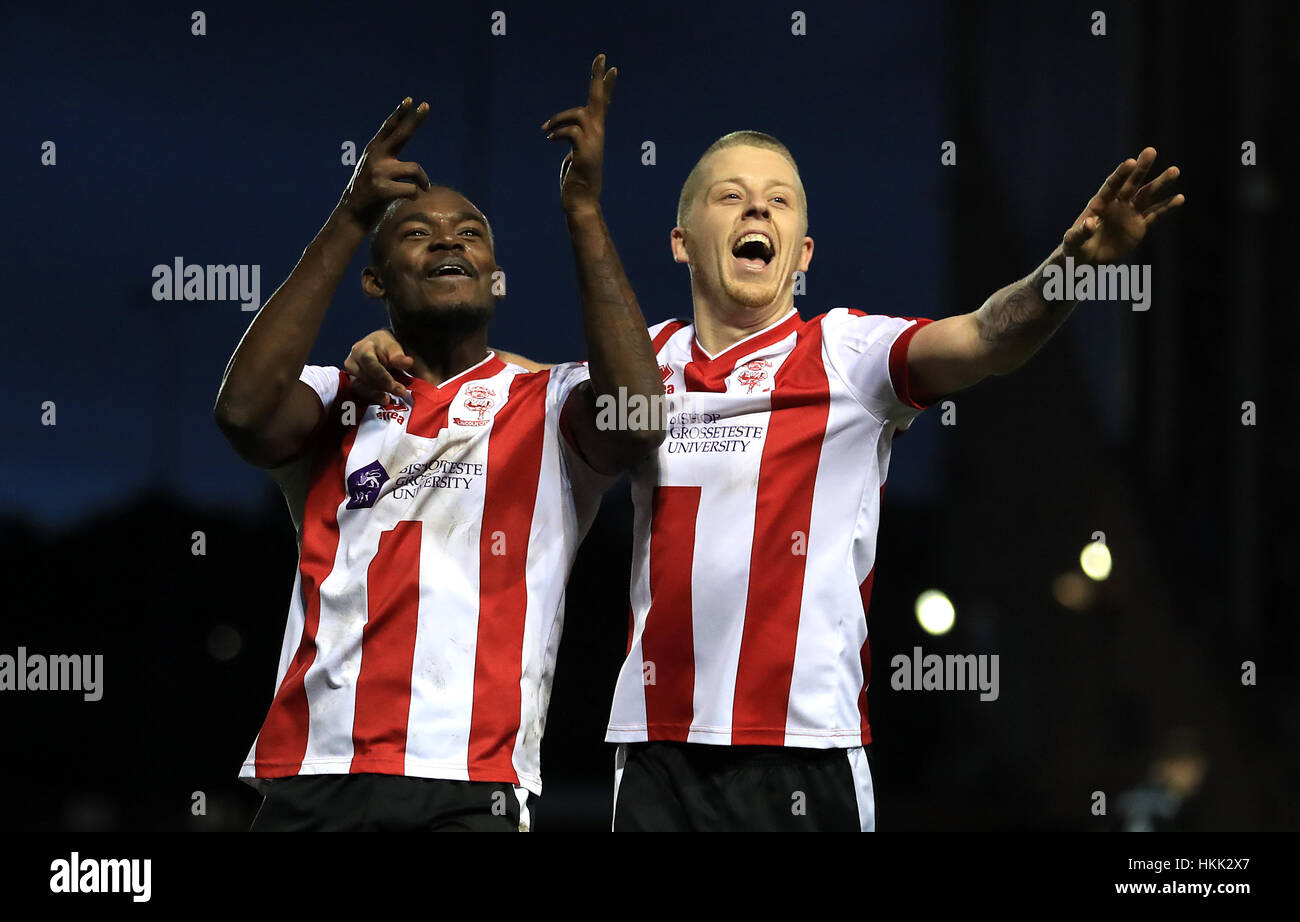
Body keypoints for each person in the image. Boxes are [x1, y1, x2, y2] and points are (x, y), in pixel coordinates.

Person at [350, 132, 1184, 831]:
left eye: (780, 201)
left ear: (803, 253)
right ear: (681, 241)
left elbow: (990, 336)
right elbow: (498, 389)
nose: (758, 211)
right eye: (732, 196)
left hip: (805, 754)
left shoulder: (851, 357)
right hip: (657, 754)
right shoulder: (638, 370)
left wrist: (1070, 269)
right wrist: (392, 352)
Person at [214, 55, 662, 831]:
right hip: (315, 774)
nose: (447, 241)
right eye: (417, 234)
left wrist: (584, 211)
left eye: (470, 234)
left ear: (493, 274)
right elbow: (244, 414)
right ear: (376, 280)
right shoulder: (334, 396)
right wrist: (351, 215)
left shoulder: (549, 402)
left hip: (470, 786)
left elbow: (638, 419)